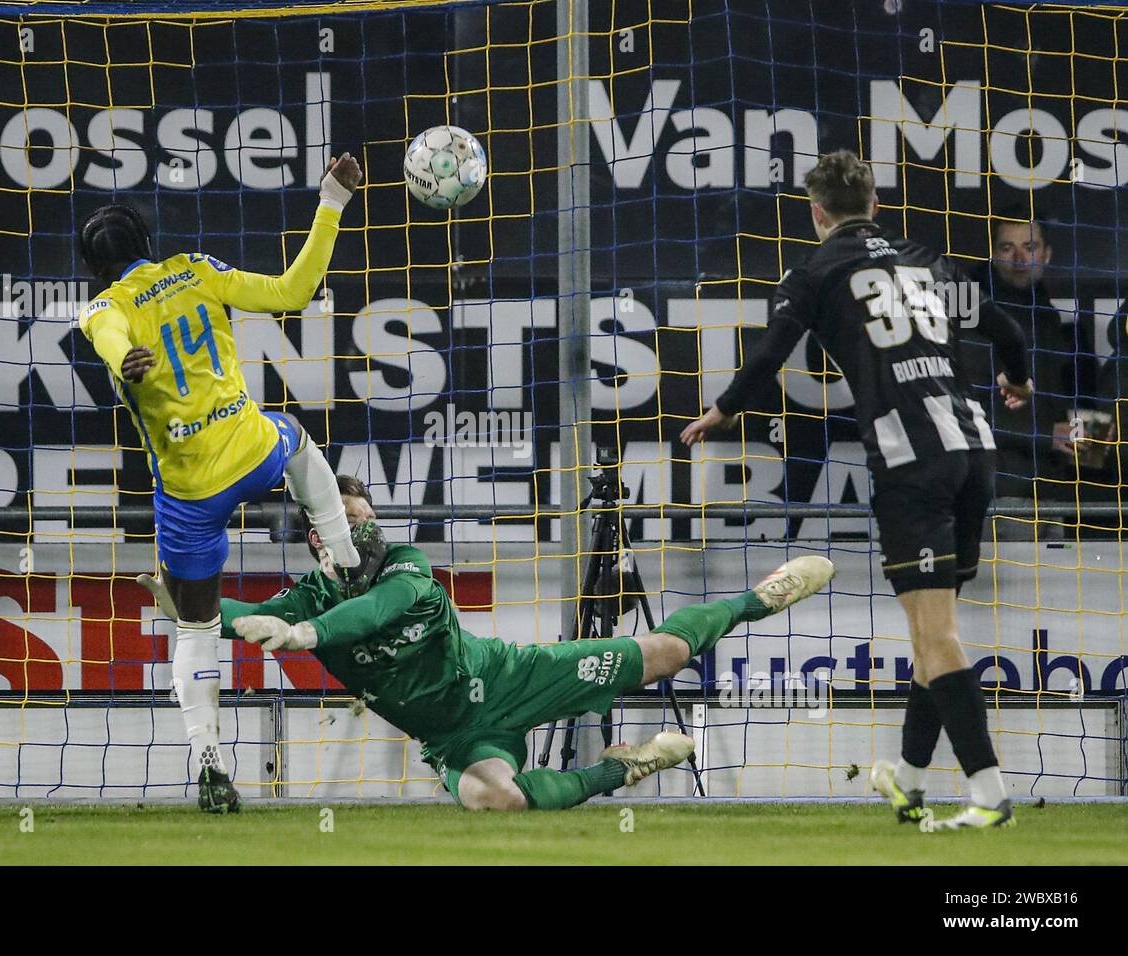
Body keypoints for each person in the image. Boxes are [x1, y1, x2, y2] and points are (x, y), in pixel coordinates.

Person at [680, 150, 1033, 829]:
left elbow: (769, 353)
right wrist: (1016, 382)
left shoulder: (815, 272)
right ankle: (905, 779)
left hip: (913, 462)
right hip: (974, 451)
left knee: (936, 636)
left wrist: (724, 409)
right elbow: (1009, 332)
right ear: (875, 204)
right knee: (934, 633)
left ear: (817, 214)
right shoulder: (926, 260)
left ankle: (990, 796)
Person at [142, 475, 835, 810]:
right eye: (343, 521)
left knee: (663, 655)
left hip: (511, 678)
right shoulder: (304, 600)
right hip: (457, 739)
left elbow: (379, 610)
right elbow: (222, 613)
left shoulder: (404, 567)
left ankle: (758, 597)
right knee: (496, 802)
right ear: (315, 537)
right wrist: (183, 594)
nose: (361, 529)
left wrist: (306, 635)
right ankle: (622, 768)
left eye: (365, 516)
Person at [75, 153, 373, 813]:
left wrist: (123, 359)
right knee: (298, 444)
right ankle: (348, 561)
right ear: (148, 245)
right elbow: (295, 292)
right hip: (248, 445)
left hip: (186, 492)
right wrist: (332, 199)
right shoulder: (196, 270)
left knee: (195, 628)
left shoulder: (104, 307)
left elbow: (107, 332)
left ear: (95, 269)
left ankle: (209, 761)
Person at [956, 204, 1095, 503]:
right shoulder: (973, 316)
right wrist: (1049, 435)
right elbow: (965, 413)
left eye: (1029, 246)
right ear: (993, 254)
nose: (1019, 259)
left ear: (1047, 254)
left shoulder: (1047, 316)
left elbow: (1056, 403)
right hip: (1002, 492)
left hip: (1051, 489)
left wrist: (1085, 431)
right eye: (1008, 247)